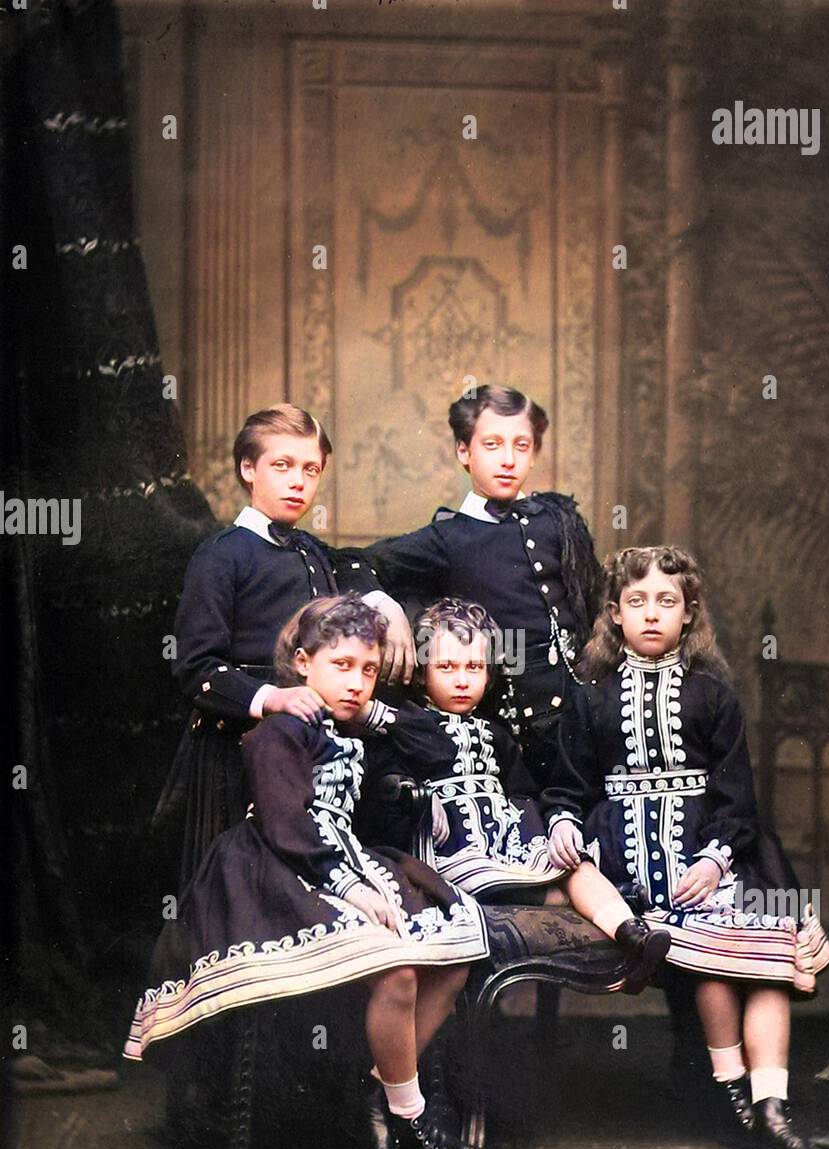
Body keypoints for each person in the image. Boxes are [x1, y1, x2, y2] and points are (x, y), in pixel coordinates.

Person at [127, 595, 495, 1149]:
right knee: (398, 972)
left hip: (347, 857)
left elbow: (438, 747)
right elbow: (284, 825)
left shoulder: (351, 727)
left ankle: (378, 1091)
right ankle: (409, 1118)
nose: (356, 682)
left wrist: (372, 713)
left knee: (454, 959)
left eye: (369, 671)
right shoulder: (281, 731)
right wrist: (350, 886)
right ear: (303, 663)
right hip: (277, 872)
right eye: (342, 666)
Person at [542, 546, 829, 1149]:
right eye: (637, 602)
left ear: (689, 614)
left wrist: (713, 860)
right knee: (704, 954)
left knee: (759, 956)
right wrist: (566, 820)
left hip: (704, 865)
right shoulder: (589, 696)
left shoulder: (713, 696)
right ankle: (732, 1099)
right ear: (615, 615)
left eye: (667, 602)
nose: (652, 614)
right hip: (624, 870)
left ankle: (772, 1111)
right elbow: (569, 785)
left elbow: (739, 800)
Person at [356, 598, 671, 991]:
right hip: (452, 851)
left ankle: (630, 935)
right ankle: (610, 908)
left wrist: (542, 834)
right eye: (447, 667)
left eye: (474, 668)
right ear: (421, 675)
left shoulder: (495, 733)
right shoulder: (409, 723)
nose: (461, 680)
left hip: (506, 842)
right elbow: (386, 776)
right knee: (539, 887)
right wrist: (410, 792)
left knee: (573, 866)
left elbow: (521, 792)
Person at [159, 404, 413, 888]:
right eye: (283, 466)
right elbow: (195, 667)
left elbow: (352, 563)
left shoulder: (310, 552)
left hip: (313, 749)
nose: (298, 481)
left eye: (310, 469)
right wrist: (273, 699)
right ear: (248, 469)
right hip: (236, 755)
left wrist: (383, 600)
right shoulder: (221, 556)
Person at [365, 385, 602, 784]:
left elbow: (595, 608)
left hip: (582, 718)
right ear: (464, 452)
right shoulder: (447, 539)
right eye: (492, 444)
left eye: (521, 445)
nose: (508, 460)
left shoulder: (559, 520)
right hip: (508, 730)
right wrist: (382, 604)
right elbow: (354, 562)